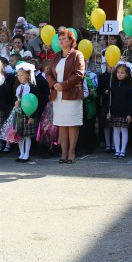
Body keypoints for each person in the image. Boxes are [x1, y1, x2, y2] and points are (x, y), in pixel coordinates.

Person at [45, 28, 85, 164]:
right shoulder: (55, 56)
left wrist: (64, 85)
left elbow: (79, 74)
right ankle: (63, 153)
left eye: (64, 39)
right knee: (61, 124)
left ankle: (71, 152)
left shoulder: (77, 54)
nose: (61, 41)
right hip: (57, 95)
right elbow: (48, 73)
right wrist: (54, 84)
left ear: (71, 40)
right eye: (60, 39)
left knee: (72, 124)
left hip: (72, 94)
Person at [106, 62, 132, 159]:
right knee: (116, 130)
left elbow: (130, 101)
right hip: (114, 111)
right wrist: (108, 111)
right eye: (118, 72)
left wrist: (129, 114)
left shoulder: (129, 86)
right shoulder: (113, 84)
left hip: (124, 112)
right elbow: (109, 100)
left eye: (122, 73)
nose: (120, 74)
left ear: (126, 74)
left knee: (124, 130)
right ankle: (117, 150)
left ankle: (123, 150)